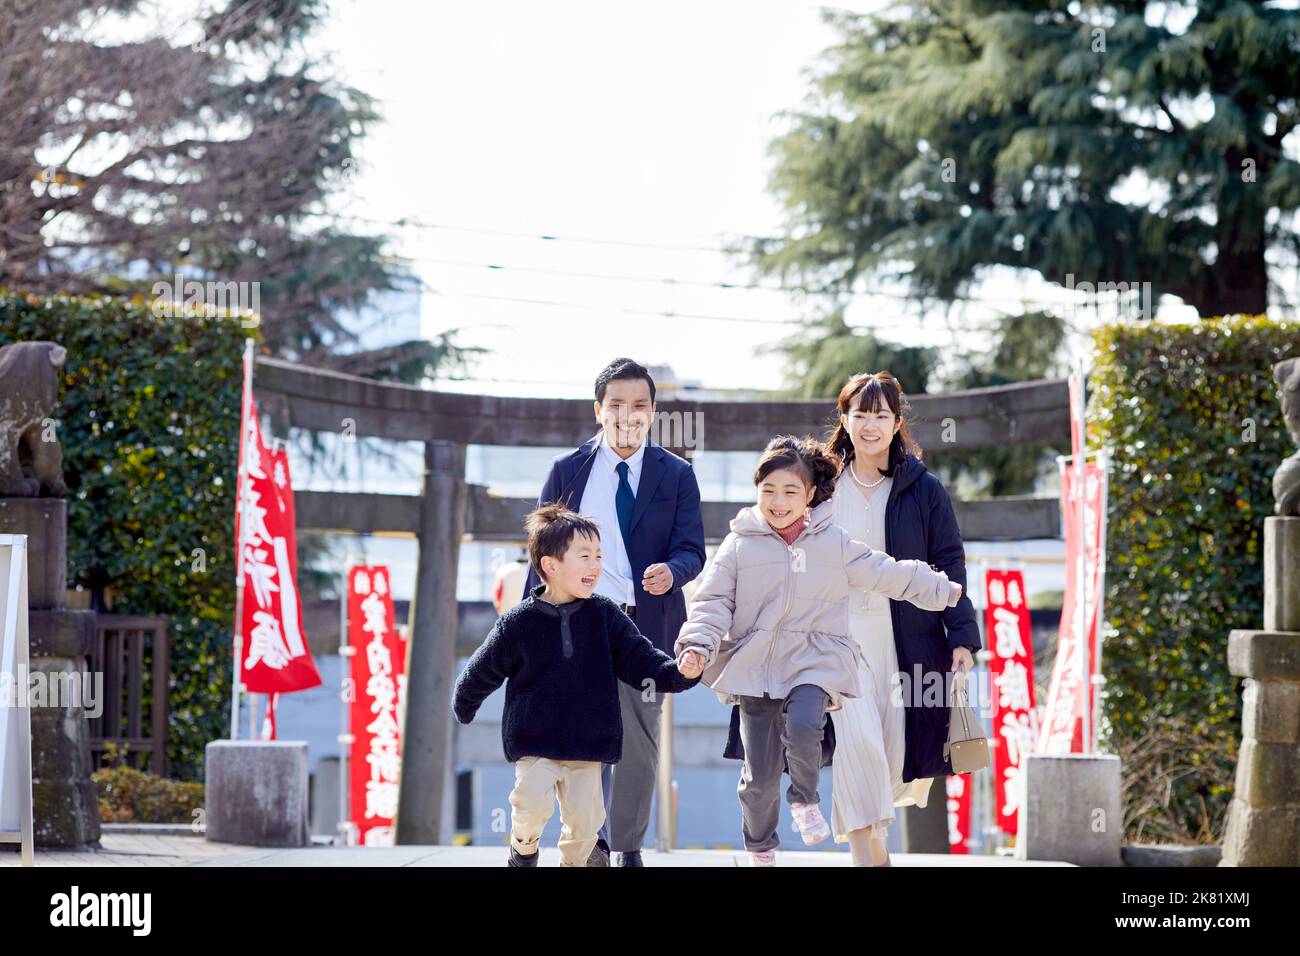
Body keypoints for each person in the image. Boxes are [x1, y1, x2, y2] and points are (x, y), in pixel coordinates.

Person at [673, 435, 962, 866]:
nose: (778, 501)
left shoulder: (833, 542)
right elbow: (712, 602)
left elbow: (882, 571)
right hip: (757, 665)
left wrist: (940, 588)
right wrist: (697, 644)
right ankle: (761, 849)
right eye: (768, 490)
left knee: (807, 722)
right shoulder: (739, 544)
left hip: (816, 659)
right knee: (759, 776)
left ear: (810, 495)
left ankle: (804, 799)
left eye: (790, 491)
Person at [522, 357, 706, 866]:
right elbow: (540, 555)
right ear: (598, 410)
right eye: (617, 405)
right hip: (578, 625)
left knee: (640, 742)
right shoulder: (567, 471)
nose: (629, 415)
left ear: (653, 411)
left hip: (647, 630)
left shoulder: (677, 474)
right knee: (584, 738)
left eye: (640, 405)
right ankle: (592, 842)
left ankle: (627, 846)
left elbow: (693, 547)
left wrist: (672, 571)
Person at [453, 503, 705, 867]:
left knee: (585, 827)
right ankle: (523, 849)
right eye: (584, 556)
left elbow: (642, 661)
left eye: (599, 556)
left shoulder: (606, 616)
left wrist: (680, 672)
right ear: (550, 566)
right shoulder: (519, 622)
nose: (595, 565)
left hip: (588, 744)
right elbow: (483, 668)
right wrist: (465, 702)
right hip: (535, 741)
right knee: (530, 802)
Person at [826, 371, 982, 866]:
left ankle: (875, 848)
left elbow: (949, 560)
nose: (870, 424)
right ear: (844, 420)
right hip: (838, 638)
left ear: (897, 423)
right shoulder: (821, 486)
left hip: (905, 640)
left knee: (893, 757)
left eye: (881, 415)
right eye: (860, 414)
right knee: (857, 746)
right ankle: (864, 855)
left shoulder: (922, 488)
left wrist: (961, 635)